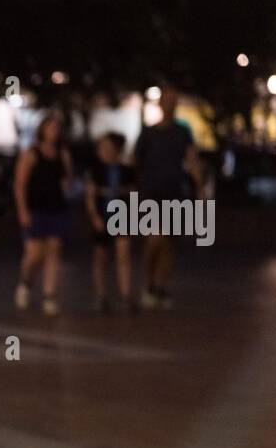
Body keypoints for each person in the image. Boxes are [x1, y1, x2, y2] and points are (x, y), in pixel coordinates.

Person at [133, 85, 205, 309]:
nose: (170, 105)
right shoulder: (149, 133)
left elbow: (191, 159)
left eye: (174, 101)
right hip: (152, 192)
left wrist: (200, 187)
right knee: (155, 239)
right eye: (167, 100)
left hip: (175, 192)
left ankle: (160, 286)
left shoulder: (183, 132)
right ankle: (148, 283)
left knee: (169, 244)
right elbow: (137, 161)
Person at [12, 113, 75, 315]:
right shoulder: (31, 154)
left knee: (54, 249)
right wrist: (22, 210)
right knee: (34, 253)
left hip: (56, 207)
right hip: (35, 208)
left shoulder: (62, 154)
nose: (53, 132)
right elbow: (20, 184)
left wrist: (67, 184)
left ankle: (49, 294)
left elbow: (68, 179)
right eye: (50, 128)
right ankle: (26, 282)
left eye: (56, 128)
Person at [85, 131, 136, 312]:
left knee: (124, 254)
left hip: (121, 217)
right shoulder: (96, 171)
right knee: (101, 257)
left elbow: (133, 194)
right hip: (102, 216)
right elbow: (90, 196)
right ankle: (101, 295)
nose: (104, 151)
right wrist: (95, 217)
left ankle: (126, 294)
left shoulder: (126, 170)